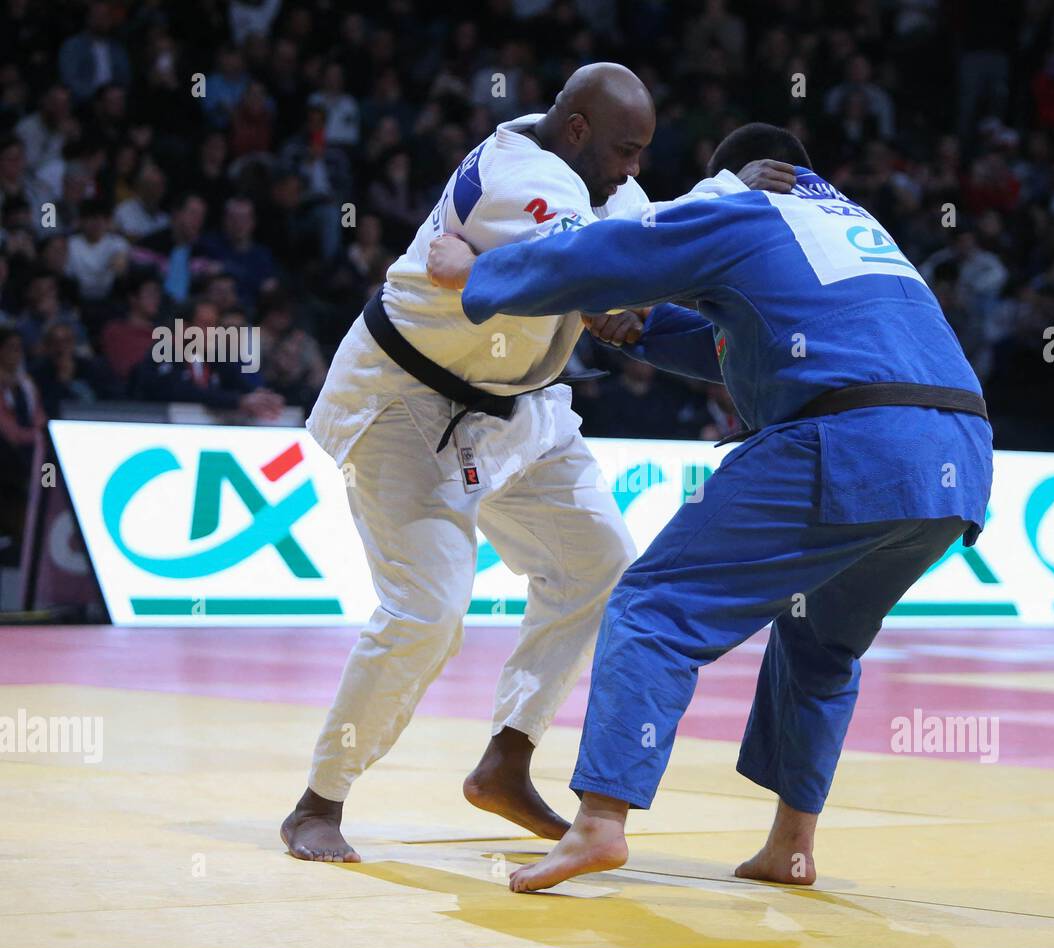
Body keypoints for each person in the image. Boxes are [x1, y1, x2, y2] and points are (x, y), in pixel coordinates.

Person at [427, 123, 994, 892]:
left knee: (654, 603)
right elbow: (750, 339)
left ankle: (599, 823)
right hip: (957, 459)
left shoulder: (741, 205)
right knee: (819, 640)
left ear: (733, 177)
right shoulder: (855, 227)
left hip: (855, 437)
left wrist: (482, 272)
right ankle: (792, 845)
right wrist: (640, 327)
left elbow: (608, 252)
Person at [278, 63, 660, 863]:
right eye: (626, 149)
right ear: (580, 130)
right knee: (427, 611)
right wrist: (606, 302)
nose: (635, 169)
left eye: (643, 153)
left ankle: (507, 758)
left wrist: (622, 297)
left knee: (599, 561)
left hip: (520, 406)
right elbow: (585, 279)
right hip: (408, 402)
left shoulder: (605, 177)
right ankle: (319, 800)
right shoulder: (523, 173)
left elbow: (637, 275)